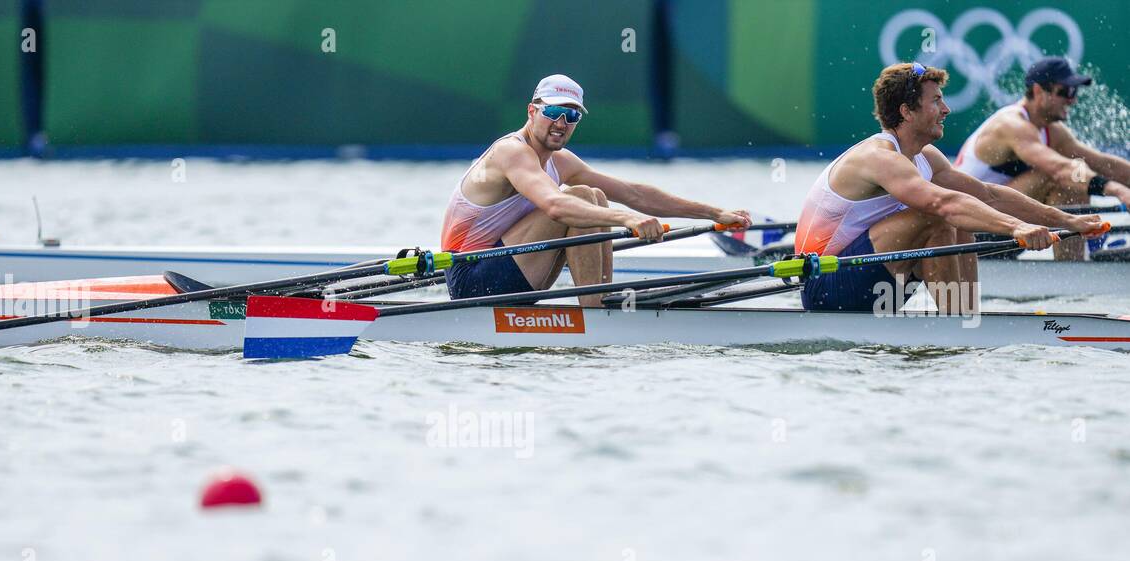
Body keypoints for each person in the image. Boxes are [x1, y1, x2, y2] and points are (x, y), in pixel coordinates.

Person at [796, 62, 1103, 313]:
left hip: (868, 278)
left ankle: (968, 318)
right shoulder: (880, 158)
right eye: (936, 101)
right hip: (824, 286)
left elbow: (990, 195)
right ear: (906, 111)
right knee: (940, 216)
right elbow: (943, 204)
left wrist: (1068, 221)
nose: (946, 109)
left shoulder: (925, 156)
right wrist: (1018, 228)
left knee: (964, 213)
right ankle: (960, 325)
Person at [440, 74, 751, 305]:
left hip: (506, 270)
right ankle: (595, 311)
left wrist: (714, 212)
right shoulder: (511, 152)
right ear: (532, 112)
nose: (561, 122)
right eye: (552, 112)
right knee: (580, 197)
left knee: (594, 194)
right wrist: (627, 220)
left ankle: (599, 302)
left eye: (571, 115)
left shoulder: (560, 161)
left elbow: (634, 193)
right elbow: (555, 206)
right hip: (471, 280)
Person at [954, 56, 1130, 259]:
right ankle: (1070, 270)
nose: (1072, 100)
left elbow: (1102, 163)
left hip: (1006, 224)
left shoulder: (1053, 131)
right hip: (967, 228)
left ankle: (1071, 274)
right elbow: (1059, 169)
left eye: (1074, 92)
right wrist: (1116, 189)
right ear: (1038, 91)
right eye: (1065, 92)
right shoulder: (1011, 124)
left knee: (1077, 174)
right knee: (1060, 177)